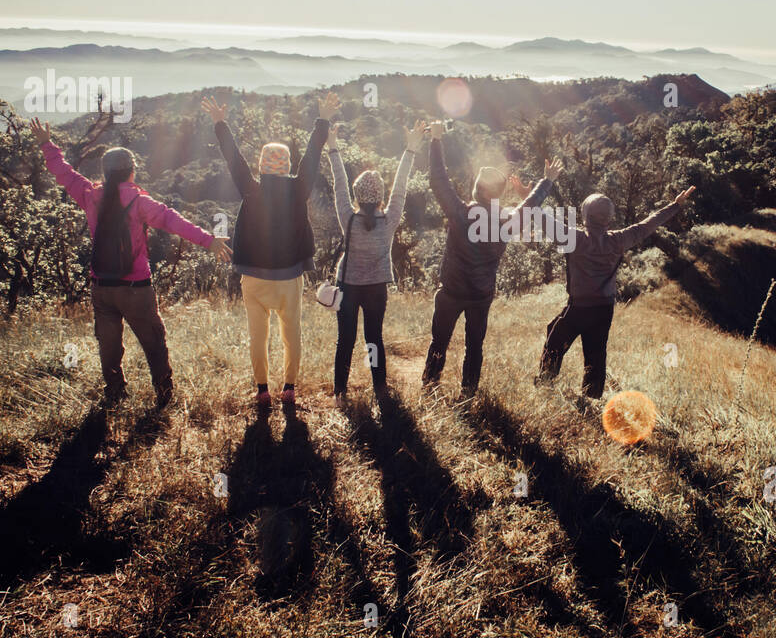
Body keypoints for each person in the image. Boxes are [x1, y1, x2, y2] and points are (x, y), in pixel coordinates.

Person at [30, 117, 231, 408]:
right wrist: (209, 241)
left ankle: (115, 395)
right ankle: (164, 396)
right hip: (136, 288)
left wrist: (46, 145)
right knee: (154, 343)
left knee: (109, 347)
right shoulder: (138, 201)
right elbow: (172, 220)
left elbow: (65, 174)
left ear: (105, 173)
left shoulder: (89, 195)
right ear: (132, 172)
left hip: (101, 287)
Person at [202, 92, 336, 406]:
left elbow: (233, 159)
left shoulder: (251, 189)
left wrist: (221, 124)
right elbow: (312, 156)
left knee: (258, 337)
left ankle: (262, 390)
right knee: (292, 334)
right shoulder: (299, 188)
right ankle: (289, 387)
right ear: (287, 166)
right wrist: (323, 120)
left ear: (262, 166)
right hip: (289, 279)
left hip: (255, 280)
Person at [421, 120, 563, 396]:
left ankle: (429, 388)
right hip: (481, 295)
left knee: (439, 342)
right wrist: (547, 181)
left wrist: (436, 140)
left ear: (476, 189)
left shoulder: (460, 212)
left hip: (451, 291)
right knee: (475, 345)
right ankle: (468, 393)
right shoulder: (505, 220)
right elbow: (529, 205)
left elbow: (438, 180)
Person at [535, 186, 696, 402]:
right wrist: (675, 205)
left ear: (585, 215)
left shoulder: (574, 238)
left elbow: (543, 220)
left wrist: (529, 195)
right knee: (595, 353)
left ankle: (545, 384)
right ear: (609, 219)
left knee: (555, 343)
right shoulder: (619, 239)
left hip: (579, 307)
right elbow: (649, 224)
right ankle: (592, 397)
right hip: (604, 308)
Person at [327, 119, 426, 405]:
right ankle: (380, 389)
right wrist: (410, 150)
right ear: (381, 197)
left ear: (357, 197)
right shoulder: (390, 219)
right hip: (376, 290)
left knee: (344, 341)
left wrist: (333, 149)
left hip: (347, 286)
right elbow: (401, 187)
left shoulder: (348, 217)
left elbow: (339, 185)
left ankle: (339, 392)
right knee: (373, 340)